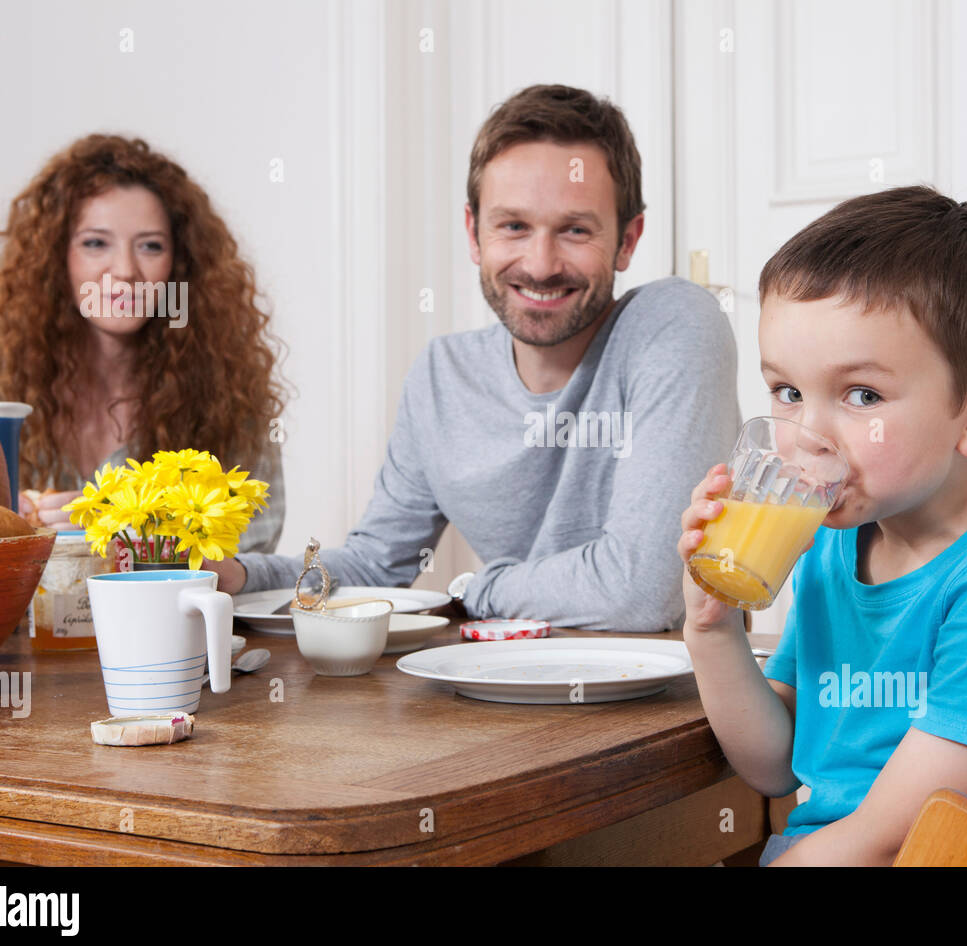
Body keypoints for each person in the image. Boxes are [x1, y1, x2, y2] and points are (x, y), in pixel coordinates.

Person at [677, 186, 967, 865]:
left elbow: (880, 836)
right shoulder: (835, 548)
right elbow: (776, 765)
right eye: (788, 392)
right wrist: (711, 629)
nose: (806, 436)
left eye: (862, 396)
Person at [215, 84, 740, 631]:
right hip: (499, 692)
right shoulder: (442, 377)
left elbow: (643, 593)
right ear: (474, 233)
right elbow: (374, 566)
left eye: (575, 230)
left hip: (662, 701)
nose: (540, 264)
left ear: (628, 240)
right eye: (513, 226)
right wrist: (241, 576)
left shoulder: (674, 323)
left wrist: (478, 588)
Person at [0, 134, 287, 553]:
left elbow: (252, 543)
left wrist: (124, 532)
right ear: (56, 259)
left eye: (150, 246)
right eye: (95, 243)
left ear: (178, 265)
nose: (125, 270)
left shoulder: (228, 395)